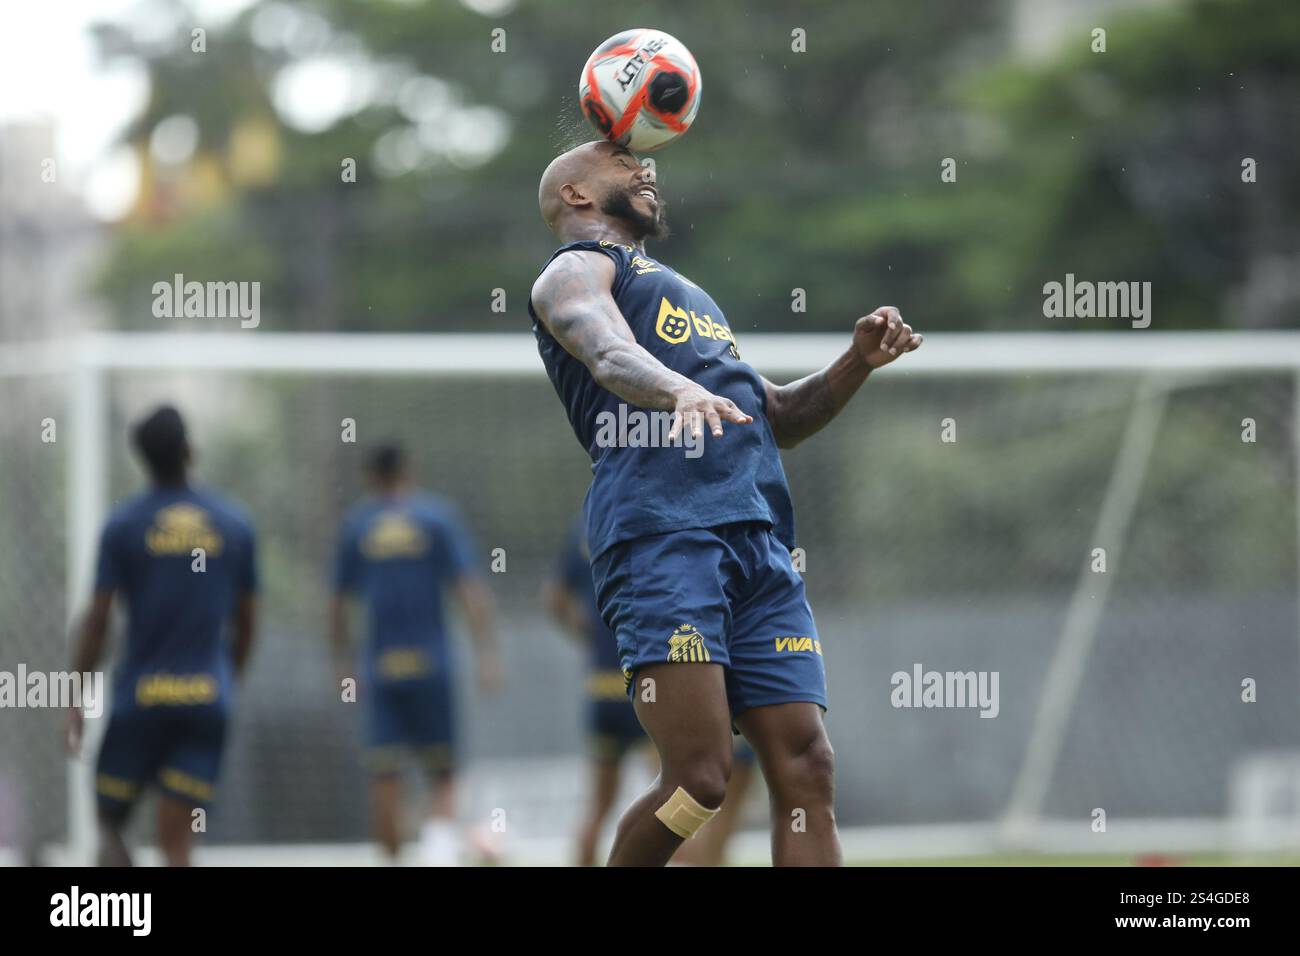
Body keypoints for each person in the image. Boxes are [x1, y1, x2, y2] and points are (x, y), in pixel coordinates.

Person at [528, 140, 923, 866]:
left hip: (758, 543)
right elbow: (609, 353)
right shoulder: (574, 272)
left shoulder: (686, 294)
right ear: (577, 195)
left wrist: (856, 362)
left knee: (808, 768)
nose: (646, 169)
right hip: (662, 537)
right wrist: (676, 388)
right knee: (700, 780)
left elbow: (772, 416)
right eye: (622, 163)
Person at [67, 405, 258, 866]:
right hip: (204, 696)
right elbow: (248, 620)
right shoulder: (233, 524)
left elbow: (98, 620)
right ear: (190, 450)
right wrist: (229, 678)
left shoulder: (124, 526)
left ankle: (122, 915)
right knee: (179, 846)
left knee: (110, 822)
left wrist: (74, 692)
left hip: (142, 699)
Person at [329, 443, 501, 865]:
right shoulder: (437, 518)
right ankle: (437, 854)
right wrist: (487, 654)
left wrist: (343, 665)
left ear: (370, 477)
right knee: (442, 777)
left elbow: (337, 605)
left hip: (382, 670)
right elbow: (469, 590)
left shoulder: (357, 525)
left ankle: (396, 860)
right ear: (409, 470)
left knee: (384, 776)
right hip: (433, 667)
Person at [542, 518, 651, 866]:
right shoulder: (653, 519)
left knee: (600, 805)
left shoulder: (583, 532)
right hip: (647, 686)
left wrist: (589, 635)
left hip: (603, 687)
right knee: (682, 794)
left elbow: (553, 598)